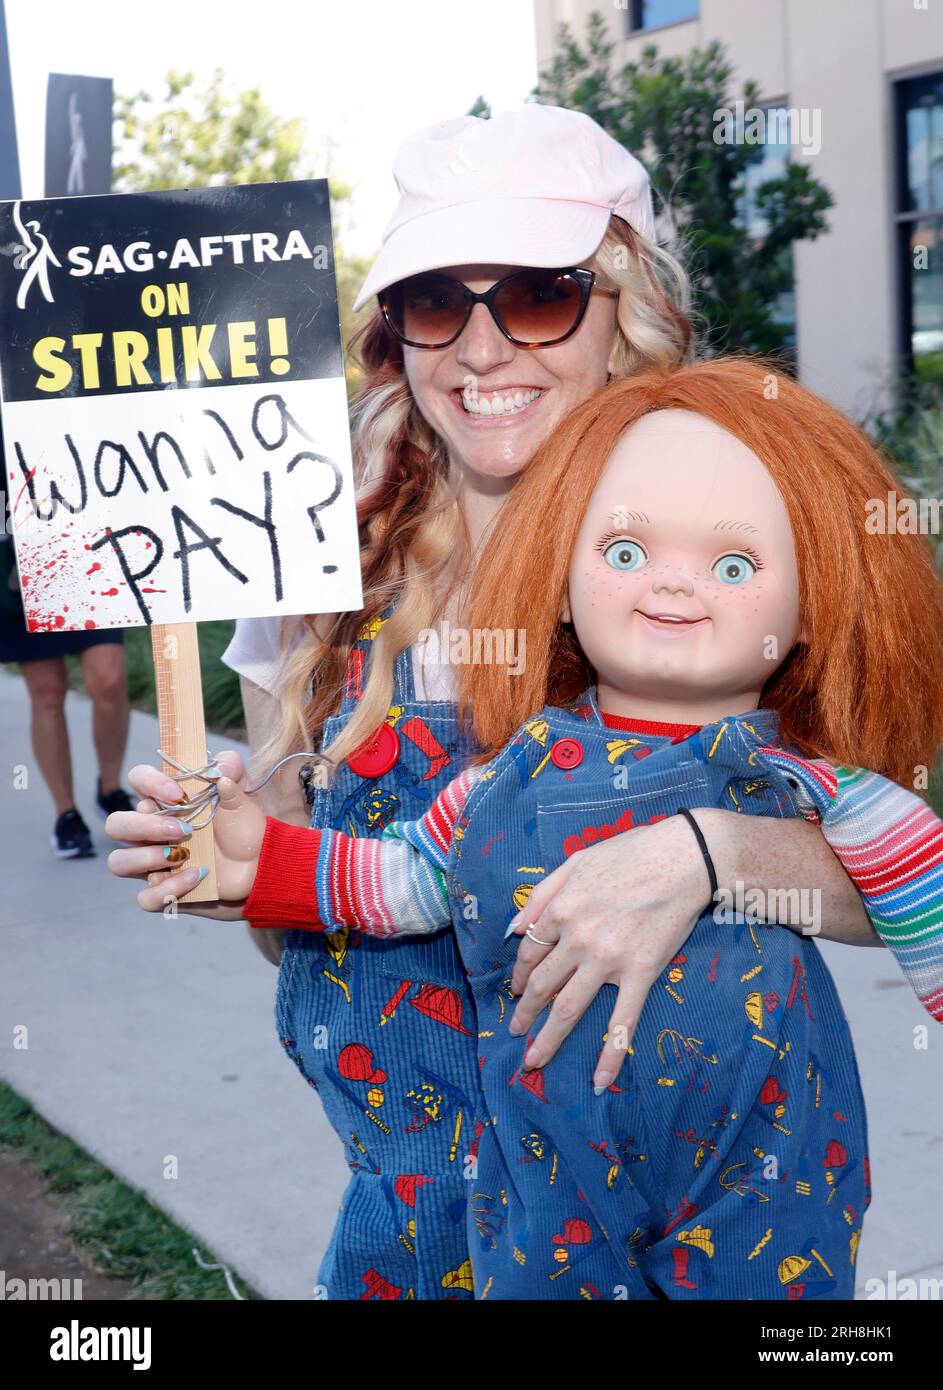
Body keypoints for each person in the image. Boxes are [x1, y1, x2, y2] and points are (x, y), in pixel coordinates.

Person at [106, 106, 902, 1301]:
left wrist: (712, 850)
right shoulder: (323, 567)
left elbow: (886, 856)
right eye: (435, 300)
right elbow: (297, 918)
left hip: (661, 1223)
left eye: (536, 293)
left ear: (621, 306)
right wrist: (231, 860)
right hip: (409, 1217)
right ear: (396, 332)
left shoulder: (706, 561)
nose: (481, 350)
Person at [191, 359, 943, 1299]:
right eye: (625, 554)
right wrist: (264, 866)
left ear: (807, 615)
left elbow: (916, 877)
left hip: (765, 1149)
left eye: (735, 564)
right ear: (557, 583)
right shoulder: (506, 771)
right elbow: (407, 880)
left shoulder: (795, 778)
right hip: (546, 1158)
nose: (673, 587)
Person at [0, 530, 136, 857]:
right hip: (12, 559)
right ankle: (66, 814)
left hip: (81, 544)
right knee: (46, 693)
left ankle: (111, 791)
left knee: (109, 679)